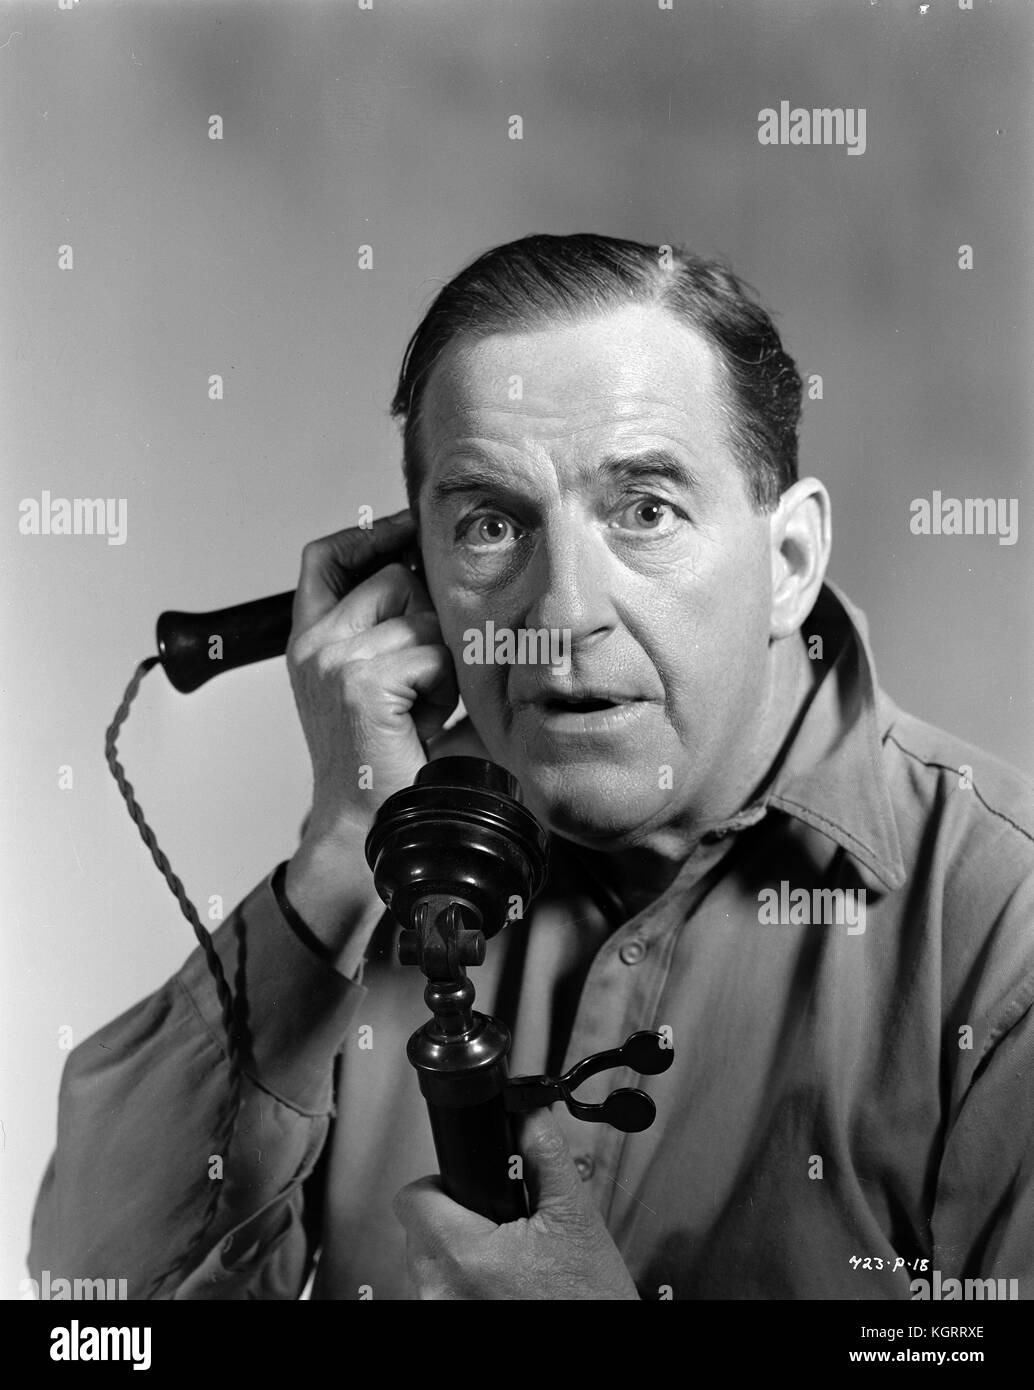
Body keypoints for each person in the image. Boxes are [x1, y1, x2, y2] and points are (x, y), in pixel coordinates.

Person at [28, 234, 1034, 1300]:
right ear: (412, 577)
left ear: (785, 564)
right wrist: (333, 857)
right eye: (490, 525)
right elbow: (90, 1304)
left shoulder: (1000, 937)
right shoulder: (380, 876)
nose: (559, 615)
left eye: (644, 510)